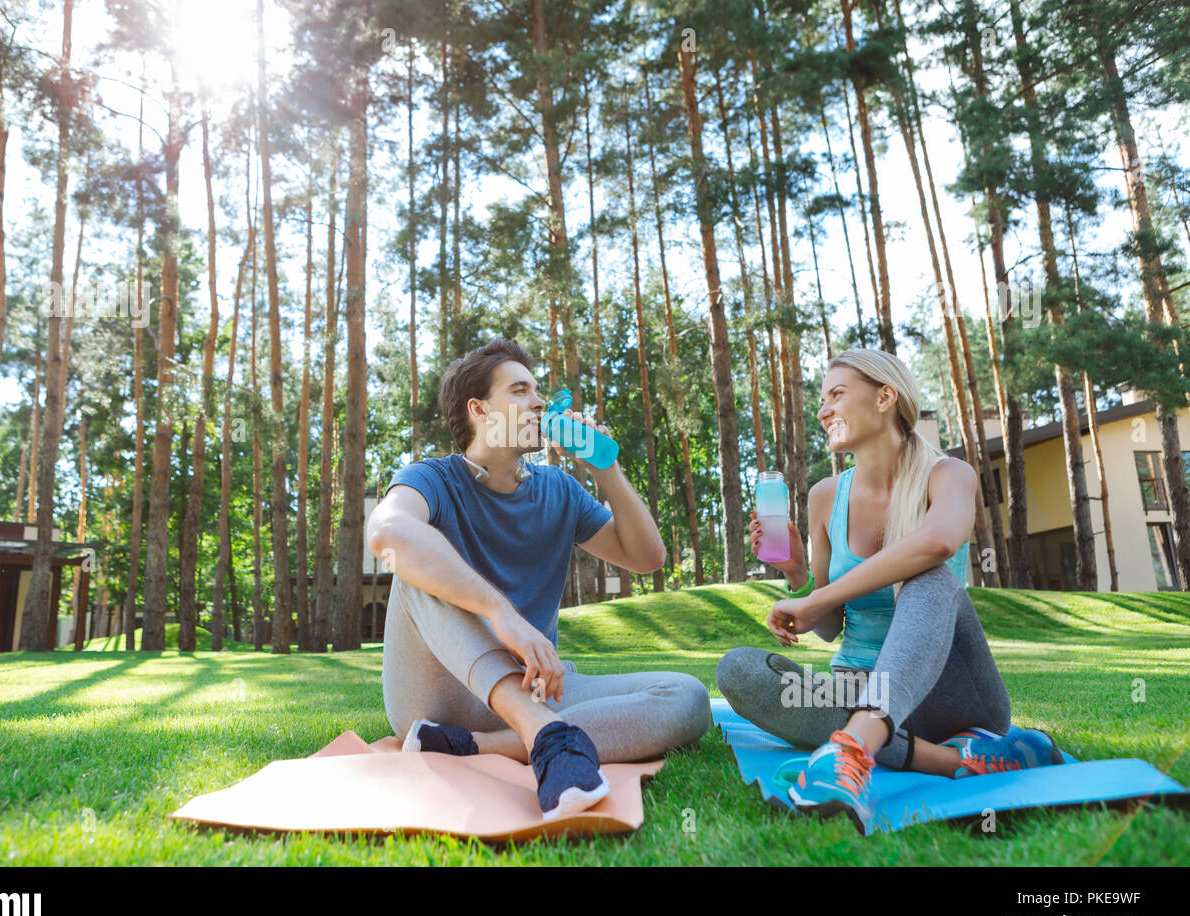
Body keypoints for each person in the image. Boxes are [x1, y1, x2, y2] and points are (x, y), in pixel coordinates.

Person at [716, 348, 1062, 834]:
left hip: (950, 697)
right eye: (821, 400)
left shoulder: (949, 474)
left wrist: (815, 597)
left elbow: (939, 541)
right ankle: (947, 761)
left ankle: (851, 750)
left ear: (885, 396)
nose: (822, 411)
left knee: (930, 574)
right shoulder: (824, 497)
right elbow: (831, 629)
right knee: (740, 671)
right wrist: (798, 574)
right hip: (855, 687)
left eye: (837, 394)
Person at [366, 338, 711, 820]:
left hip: (529, 691)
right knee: (410, 557)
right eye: (520, 390)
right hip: (435, 694)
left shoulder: (559, 489)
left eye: (539, 393)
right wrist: (501, 614)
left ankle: (482, 745)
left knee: (687, 698)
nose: (539, 402)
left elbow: (647, 557)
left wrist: (605, 468)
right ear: (480, 409)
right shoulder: (432, 478)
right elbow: (385, 534)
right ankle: (543, 733)